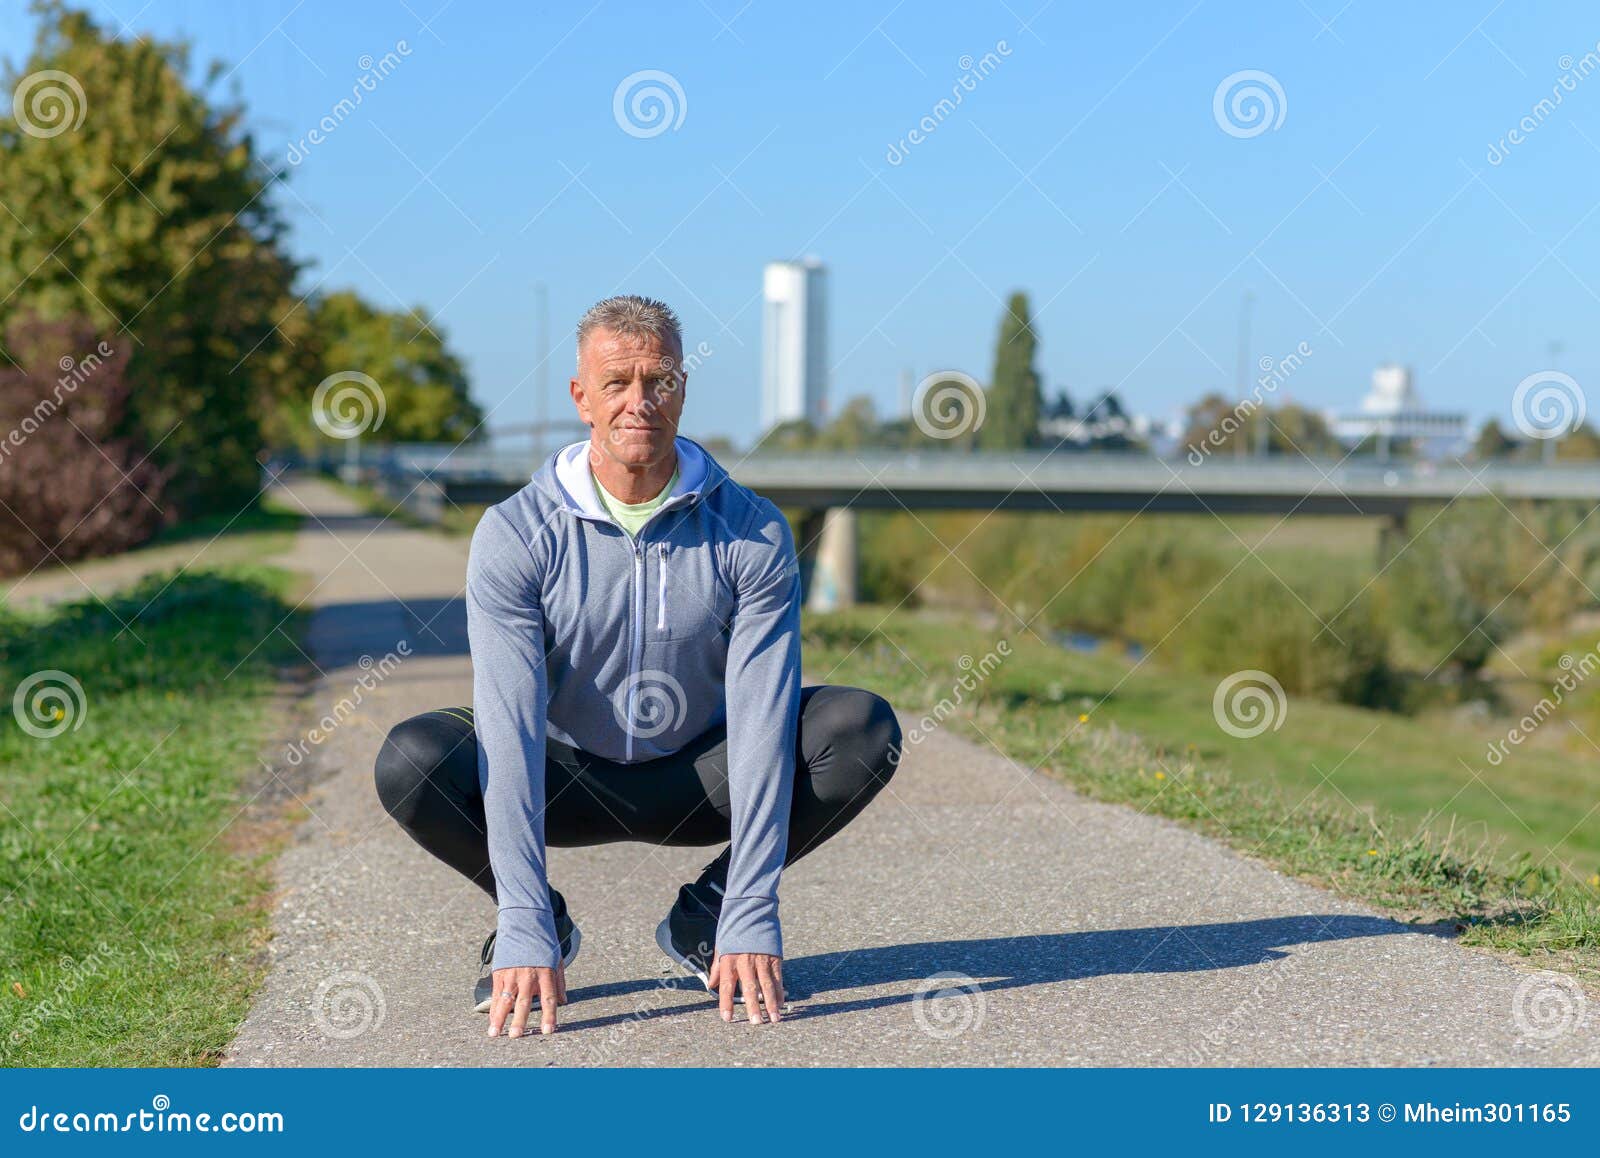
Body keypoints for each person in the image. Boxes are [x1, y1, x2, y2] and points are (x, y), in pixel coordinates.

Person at [373, 294, 902, 1037]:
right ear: (581, 398)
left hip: (695, 779)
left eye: (660, 381)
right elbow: (511, 726)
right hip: (571, 777)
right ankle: (542, 929)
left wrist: (751, 906)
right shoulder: (516, 534)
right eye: (617, 382)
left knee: (862, 727)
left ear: (683, 389)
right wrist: (521, 916)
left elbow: (760, 720)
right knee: (412, 759)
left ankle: (706, 919)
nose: (639, 402)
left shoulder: (750, 530)